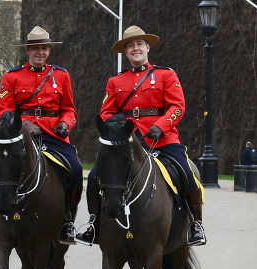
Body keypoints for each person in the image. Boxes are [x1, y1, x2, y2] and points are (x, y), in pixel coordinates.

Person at [76, 25, 206, 246]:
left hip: (162, 140)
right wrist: (117, 128)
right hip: (127, 142)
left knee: (187, 173)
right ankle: (95, 223)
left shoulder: (166, 74)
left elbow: (177, 106)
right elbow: (106, 112)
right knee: (96, 177)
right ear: (125, 52)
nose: (135, 48)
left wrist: (161, 125)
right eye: (130, 46)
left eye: (139, 44)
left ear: (147, 47)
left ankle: (196, 223)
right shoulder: (115, 81)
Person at [0, 25, 83, 244]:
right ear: (27, 51)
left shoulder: (61, 75)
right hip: (17, 134)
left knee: (76, 169)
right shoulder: (12, 76)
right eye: (36, 48)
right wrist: (25, 125)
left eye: (45, 48)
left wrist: (66, 124)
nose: (41, 52)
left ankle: (67, 221)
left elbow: (70, 109)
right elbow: (4, 110)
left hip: (52, 134)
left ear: (49, 50)